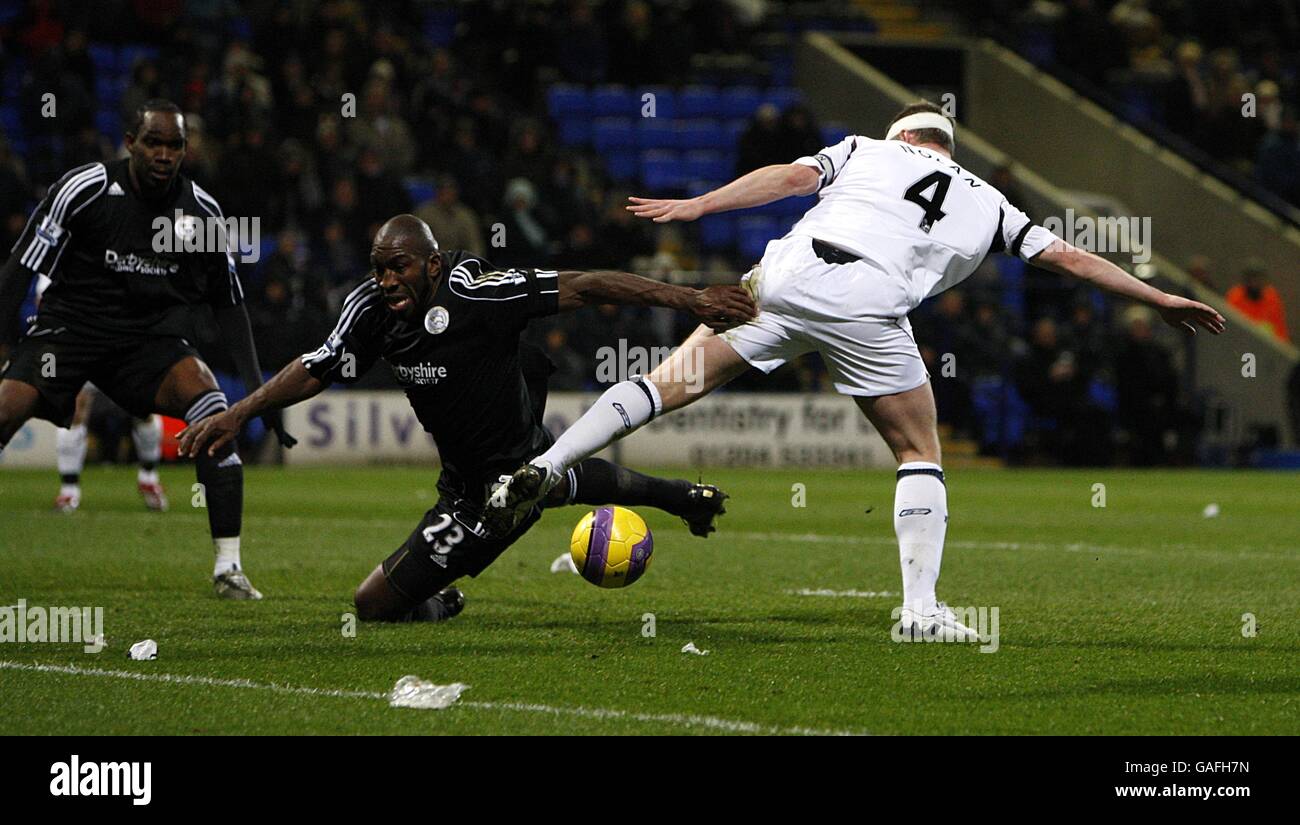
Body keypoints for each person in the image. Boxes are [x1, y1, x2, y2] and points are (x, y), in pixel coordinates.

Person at [489, 100, 1226, 640]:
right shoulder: (989, 199)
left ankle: (548, 463)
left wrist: (700, 204)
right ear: (946, 146)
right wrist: (1157, 295)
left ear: (903, 136)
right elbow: (1068, 256)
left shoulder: (865, 147)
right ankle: (919, 609)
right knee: (917, 450)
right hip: (867, 299)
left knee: (663, 385)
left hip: (785, 276)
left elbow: (785, 179)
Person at [177, 215, 757, 623]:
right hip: (466, 477)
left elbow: (586, 284)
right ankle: (680, 496)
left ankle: (439, 595)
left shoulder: (477, 291)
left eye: (397, 268)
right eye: (378, 269)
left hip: (492, 494)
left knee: (375, 604)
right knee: (555, 482)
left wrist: (690, 300)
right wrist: (240, 413)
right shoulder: (372, 309)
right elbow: (317, 366)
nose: (386, 282)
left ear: (431, 263)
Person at [0, 99, 292, 600]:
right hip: (69, 331)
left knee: (213, 411)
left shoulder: (201, 213)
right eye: (153, 143)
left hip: (147, 343)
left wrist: (259, 395)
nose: (163, 154)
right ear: (131, 143)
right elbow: (17, 273)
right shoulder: (83, 189)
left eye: (173, 145)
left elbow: (230, 307)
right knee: (5, 409)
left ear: (185, 150)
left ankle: (229, 569)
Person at [1225, 260, 1289, 343]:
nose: (1255, 283)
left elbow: (1281, 333)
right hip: (1240, 342)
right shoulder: (1235, 297)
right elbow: (1229, 327)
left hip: (1266, 346)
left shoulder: (1272, 298)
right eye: (1251, 279)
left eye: (1259, 279)